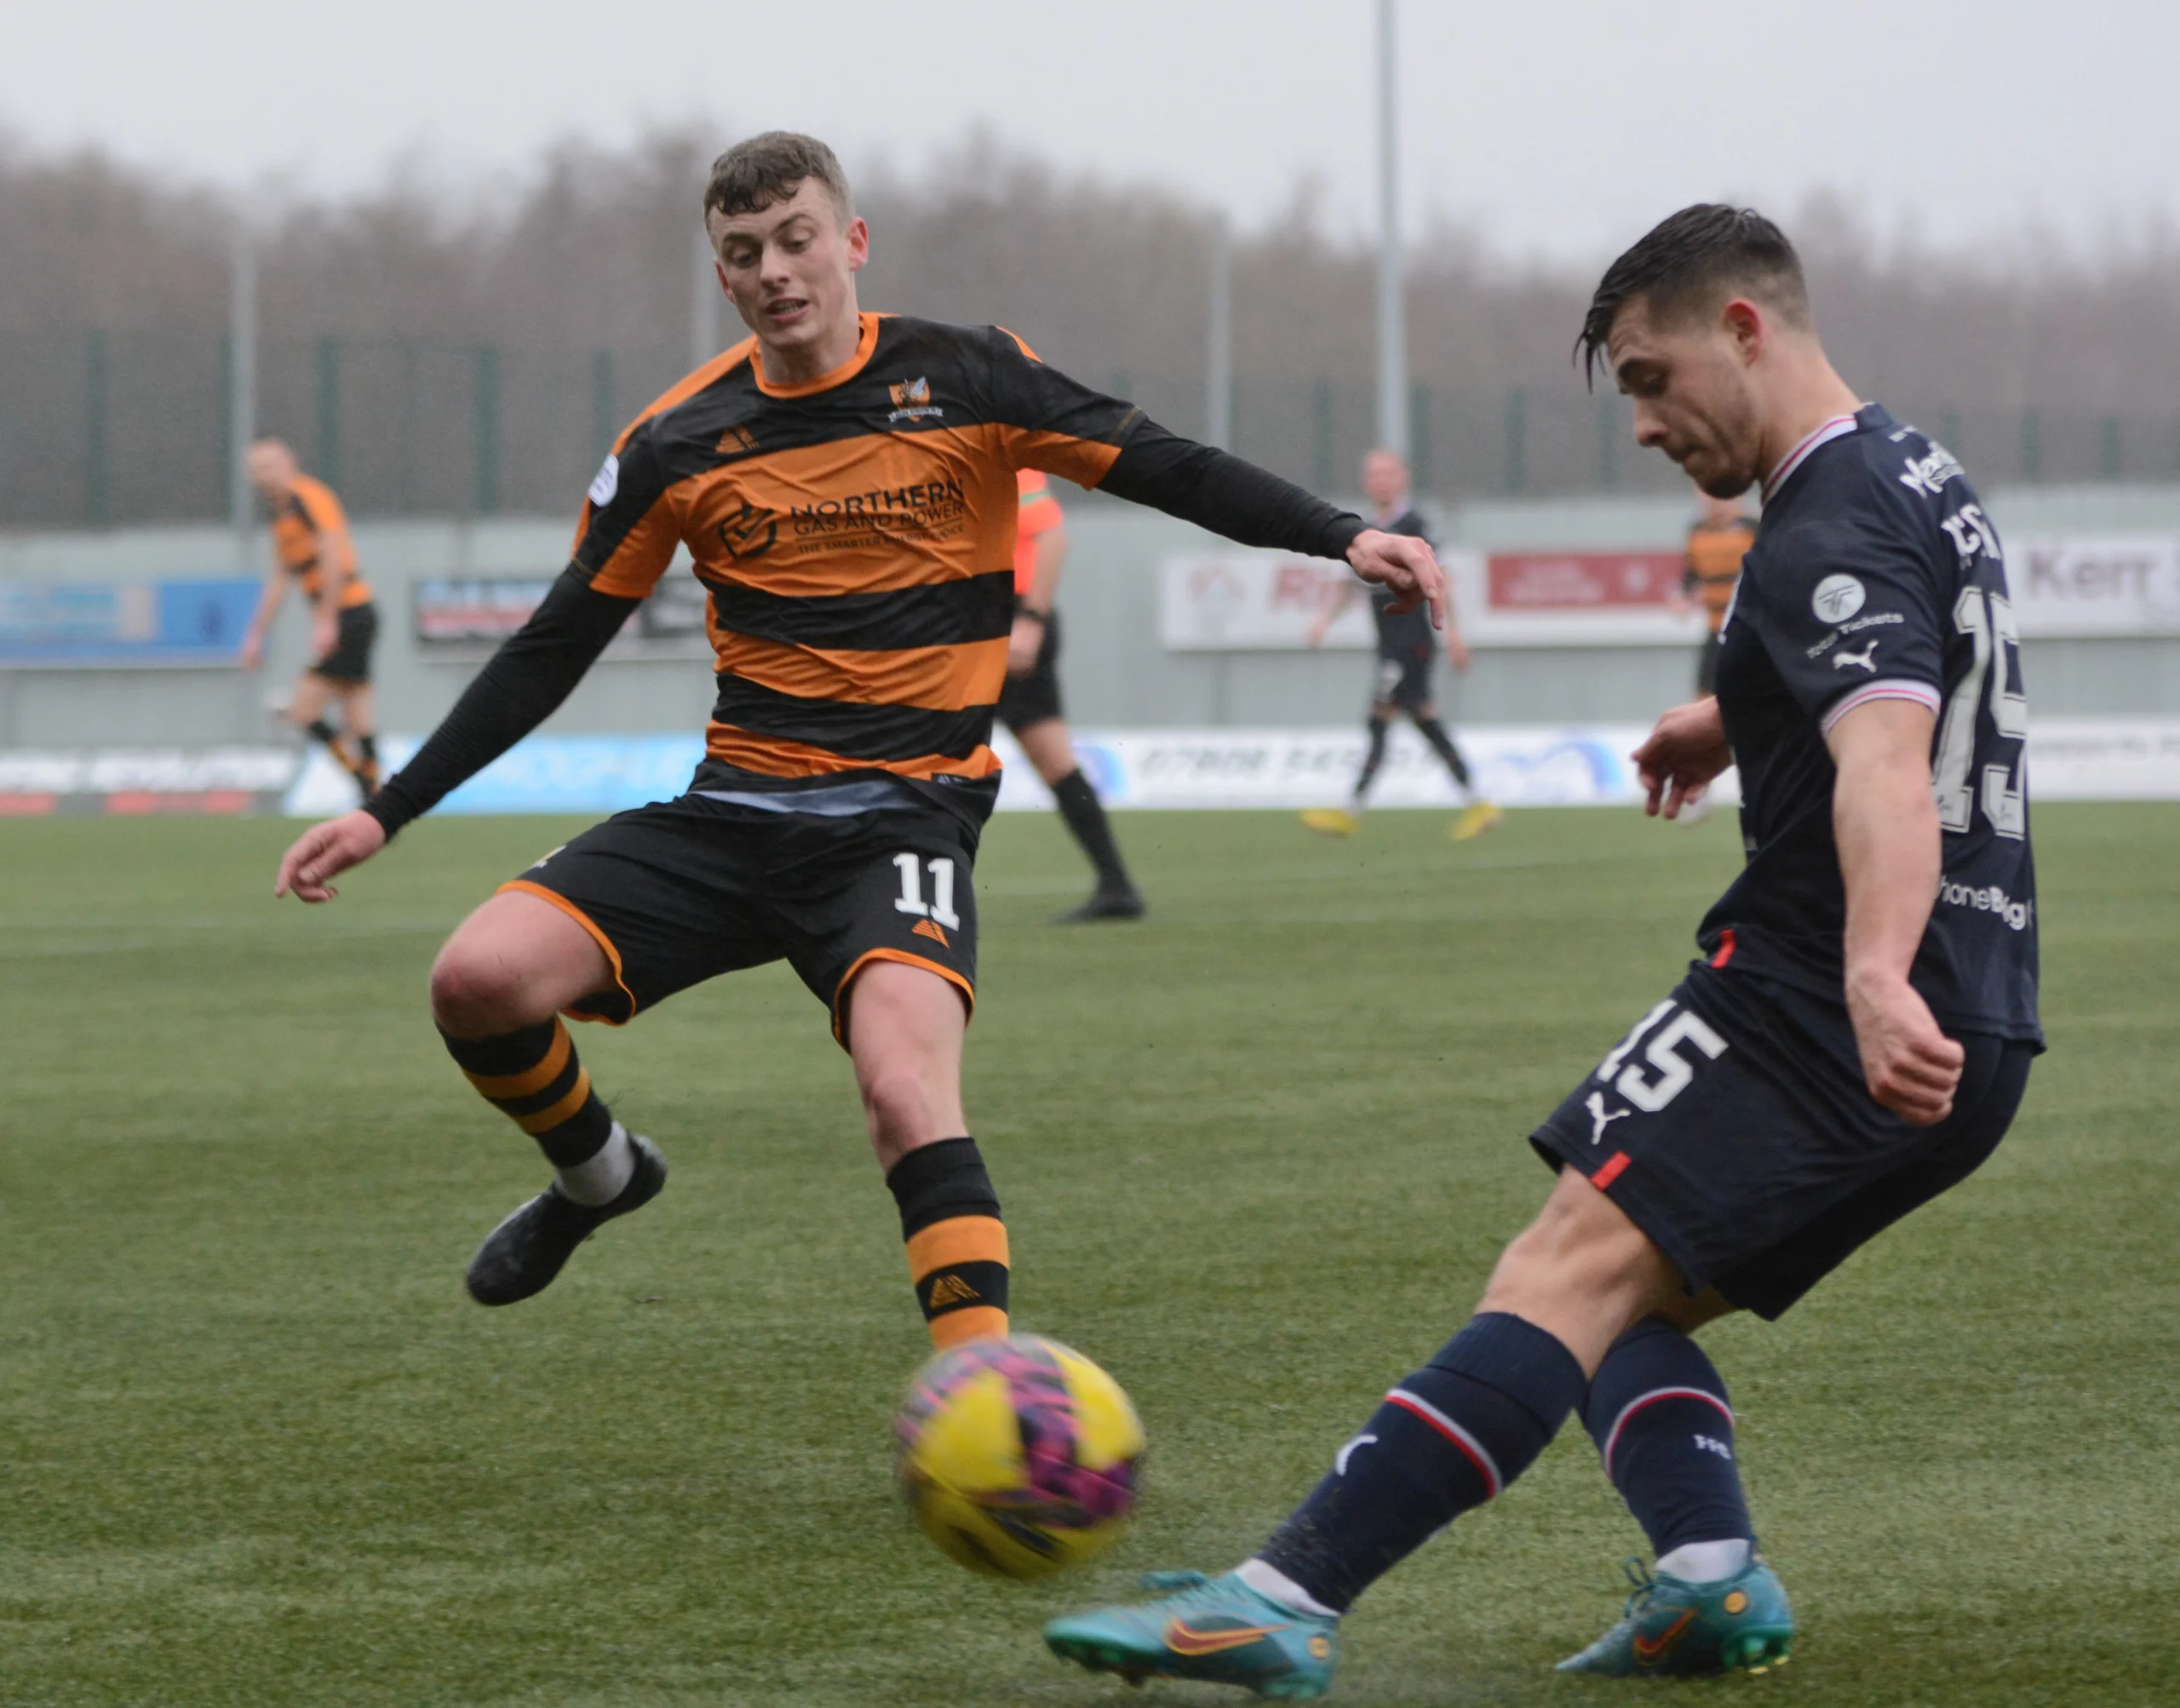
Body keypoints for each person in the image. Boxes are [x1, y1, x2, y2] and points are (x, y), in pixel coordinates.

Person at [1045, 203, 2039, 1697]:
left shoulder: (1818, 525)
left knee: (1563, 1270)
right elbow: (1913, 664)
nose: (1640, 421)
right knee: (1626, 1287)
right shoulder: (1910, 468)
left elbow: (1891, 761)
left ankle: (1280, 1598)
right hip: (1986, 1012)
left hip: (1827, 1002)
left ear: (1745, 331)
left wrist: (1873, 971)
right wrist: (1734, 719)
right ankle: (1709, 1582)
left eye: (1649, 377)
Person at [270, 132, 1443, 1352]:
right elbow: (552, 645)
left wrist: (1340, 534)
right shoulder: (676, 442)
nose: (776, 269)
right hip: (734, 812)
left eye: (797, 238)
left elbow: (1162, 462)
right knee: (474, 981)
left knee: (902, 1090)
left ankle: (980, 1393)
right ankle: (600, 1174)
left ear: (852, 241)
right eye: (744, 253)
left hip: (903, 817)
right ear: (721, 277)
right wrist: (385, 808)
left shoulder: (972, 374)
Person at [1299, 449, 1499, 842]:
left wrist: (1454, 633)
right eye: (1374, 473)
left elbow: (1442, 579)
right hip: (1388, 645)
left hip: (1412, 644)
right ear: (1366, 481)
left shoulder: (1416, 524)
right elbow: (1354, 587)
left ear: (1403, 479)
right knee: (1423, 718)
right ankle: (1478, 802)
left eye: (1389, 473)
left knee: (1380, 718)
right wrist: (1324, 619)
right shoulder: (1367, 529)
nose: (1381, 480)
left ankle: (1350, 811)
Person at [996, 468, 1145, 921]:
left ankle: (1117, 885)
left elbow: (1053, 537)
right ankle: (1116, 885)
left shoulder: (1006, 461)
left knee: (940, 759)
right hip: (985, 621)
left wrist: (1032, 619)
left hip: (1007, 622)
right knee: (1053, 762)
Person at [238, 438, 381, 792]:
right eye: (257, 470)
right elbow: (279, 580)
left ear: (290, 464)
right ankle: (372, 781)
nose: (265, 476)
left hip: (350, 612)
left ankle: (364, 779)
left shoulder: (308, 496)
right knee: (355, 704)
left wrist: (326, 620)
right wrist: (256, 633)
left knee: (303, 710)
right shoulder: (281, 516)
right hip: (352, 614)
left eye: (271, 466)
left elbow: (333, 554)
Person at [1680, 487, 1757, 696]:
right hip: (1716, 625)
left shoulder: (1751, 527)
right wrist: (1684, 597)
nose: (1712, 500)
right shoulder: (1697, 532)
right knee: (1706, 689)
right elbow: (1692, 572)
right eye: (1705, 493)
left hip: (1747, 626)